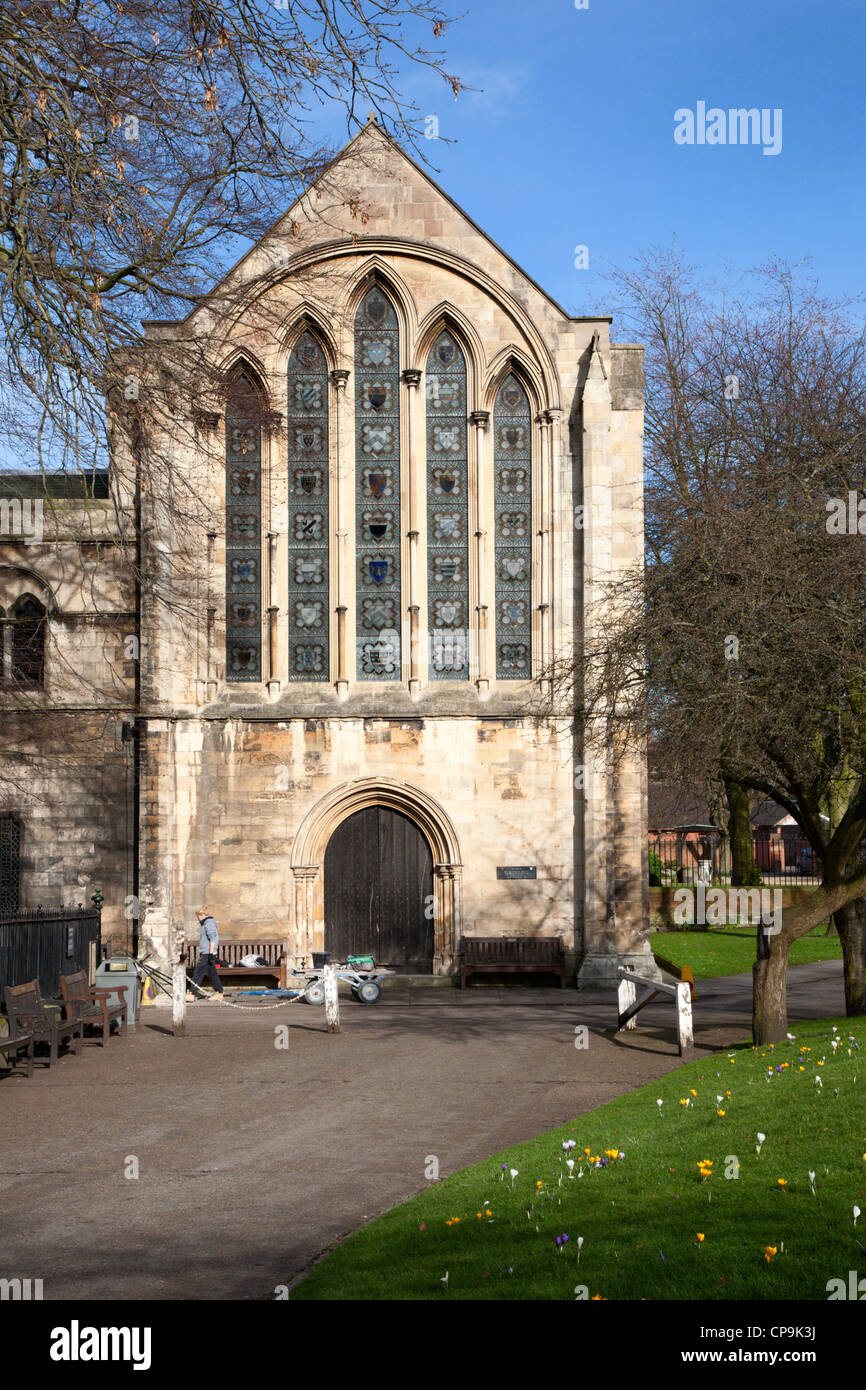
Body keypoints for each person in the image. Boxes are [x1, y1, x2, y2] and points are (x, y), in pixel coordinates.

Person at [187, 907, 225, 1001]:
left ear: (203, 915)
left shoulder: (209, 923)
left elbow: (213, 939)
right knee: (212, 974)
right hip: (207, 952)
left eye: (198, 916)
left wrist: (211, 954)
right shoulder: (207, 923)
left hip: (207, 953)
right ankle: (219, 992)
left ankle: (192, 993)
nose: (198, 918)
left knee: (198, 973)